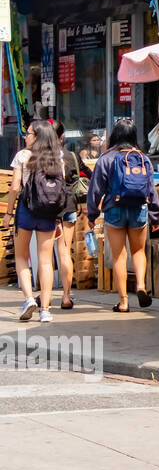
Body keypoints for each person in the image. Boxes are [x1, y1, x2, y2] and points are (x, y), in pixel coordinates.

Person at [86, 119, 159, 313]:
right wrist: (155, 215)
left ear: (115, 135)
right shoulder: (143, 158)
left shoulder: (107, 158)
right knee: (138, 251)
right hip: (139, 209)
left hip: (114, 209)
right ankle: (141, 286)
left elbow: (95, 189)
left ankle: (124, 301)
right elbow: (151, 189)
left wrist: (92, 214)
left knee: (119, 255)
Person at [10, 122, 66, 324]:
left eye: (29, 133)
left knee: (22, 256)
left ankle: (28, 299)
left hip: (26, 209)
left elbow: (16, 187)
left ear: (37, 136)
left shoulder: (22, 156)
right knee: (45, 260)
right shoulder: (57, 157)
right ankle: (45, 309)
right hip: (49, 213)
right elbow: (60, 189)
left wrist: (9, 212)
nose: (25, 136)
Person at [52, 121, 83, 311]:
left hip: (48, 210)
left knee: (46, 254)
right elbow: (86, 174)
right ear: (62, 136)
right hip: (69, 207)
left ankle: (44, 297)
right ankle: (66, 296)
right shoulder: (71, 155)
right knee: (64, 252)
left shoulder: (41, 157)